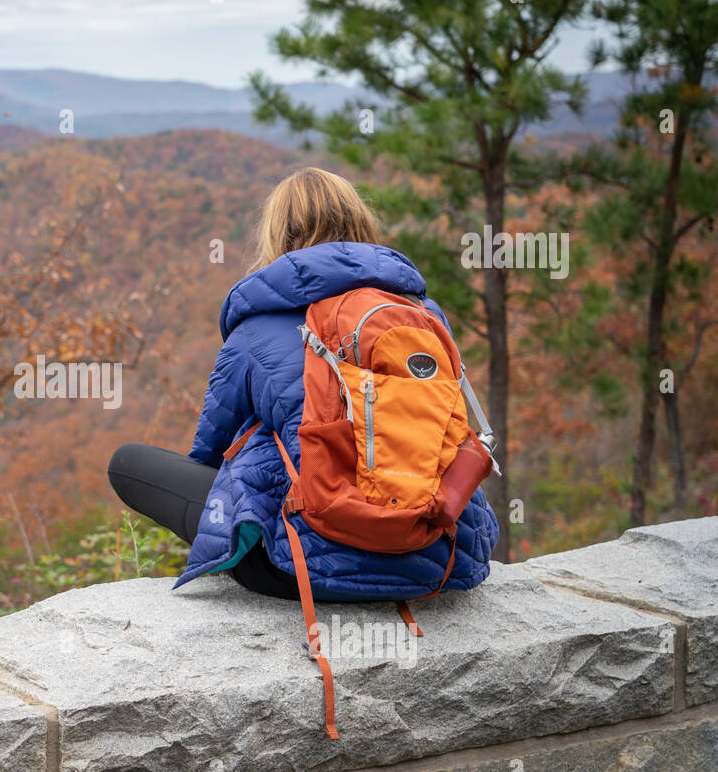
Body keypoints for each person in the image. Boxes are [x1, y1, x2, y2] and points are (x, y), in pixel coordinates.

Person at [108, 167, 499, 602]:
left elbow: (208, 457)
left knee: (127, 463)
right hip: (445, 557)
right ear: (361, 224)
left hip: (295, 566)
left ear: (277, 236)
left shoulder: (255, 329)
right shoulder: (421, 312)